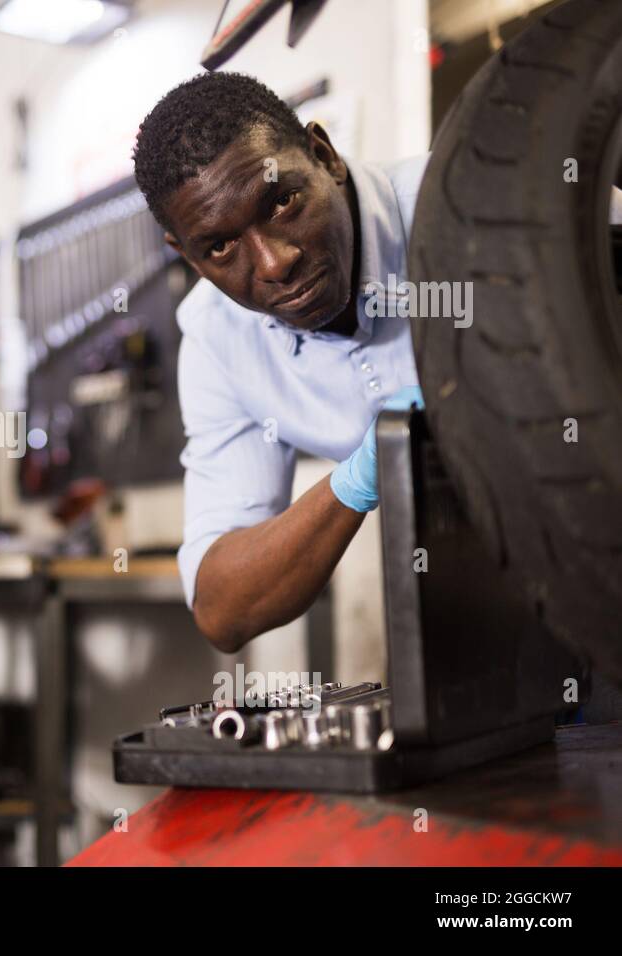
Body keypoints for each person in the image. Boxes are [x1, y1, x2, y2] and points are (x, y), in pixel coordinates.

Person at [132, 71, 425, 653]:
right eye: (219, 246)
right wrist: (358, 478)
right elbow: (222, 608)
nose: (275, 262)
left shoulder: (466, 200)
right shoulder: (218, 341)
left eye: (283, 201)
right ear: (187, 256)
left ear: (324, 155)